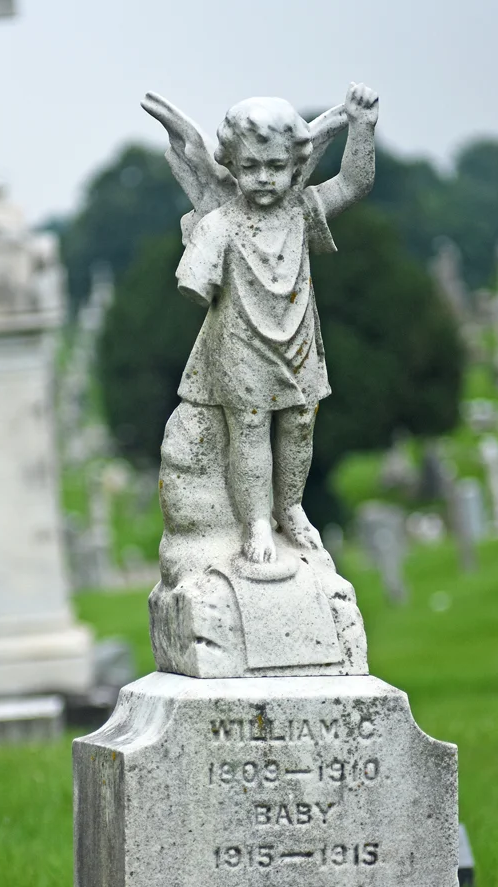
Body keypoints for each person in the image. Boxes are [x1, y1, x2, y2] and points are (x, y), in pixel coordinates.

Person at [174, 84, 378, 565]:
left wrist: (363, 128)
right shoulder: (221, 224)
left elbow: (353, 183)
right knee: (249, 428)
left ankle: (290, 507)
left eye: (276, 167)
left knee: (300, 423)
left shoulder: (302, 210)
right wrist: (198, 256)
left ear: (295, 166)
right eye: (250, 167)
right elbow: (193, 280)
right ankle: (257, 522)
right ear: (230, 165)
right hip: (240, 343)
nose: (264, 178)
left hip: (298, 339)